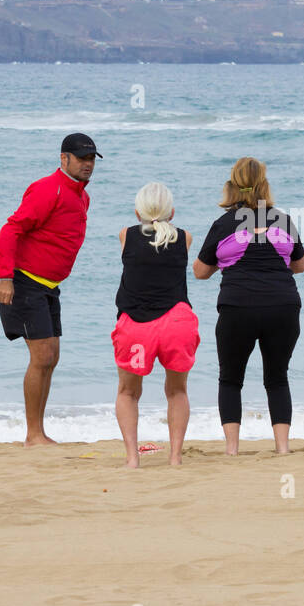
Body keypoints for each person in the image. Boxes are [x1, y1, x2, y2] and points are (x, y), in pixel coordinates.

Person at [194, 157, 304, 455]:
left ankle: (232, 449)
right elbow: (300, 265)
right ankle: (282, 448)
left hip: (237, 307)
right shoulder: (282, 219)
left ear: (231, 186)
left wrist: (229, 259)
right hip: (283, 306)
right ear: (265, 185)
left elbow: (200, 271)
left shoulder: (223, 224)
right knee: (277, 377)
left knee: (230, 379)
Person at [0, 133, 101, 446]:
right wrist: (5, 277)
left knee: (51, 356)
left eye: (92, 158)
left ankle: (38, 432)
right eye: (82, 158)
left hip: (49, 287)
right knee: (41, 356)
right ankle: (33, 434)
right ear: (63, 158)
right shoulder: (47, 189)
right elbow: (10, 229)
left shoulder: (82, 196)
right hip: (26, 283)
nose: (88, 164)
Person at [112, 183, 200, 467]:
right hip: (176, 321)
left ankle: (132, 459)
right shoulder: (185, 237)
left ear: (137, 212)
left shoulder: (126, 234)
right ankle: (175, 458)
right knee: (177, 391)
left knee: (128, 392)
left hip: (135, 325)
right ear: (172, 211)